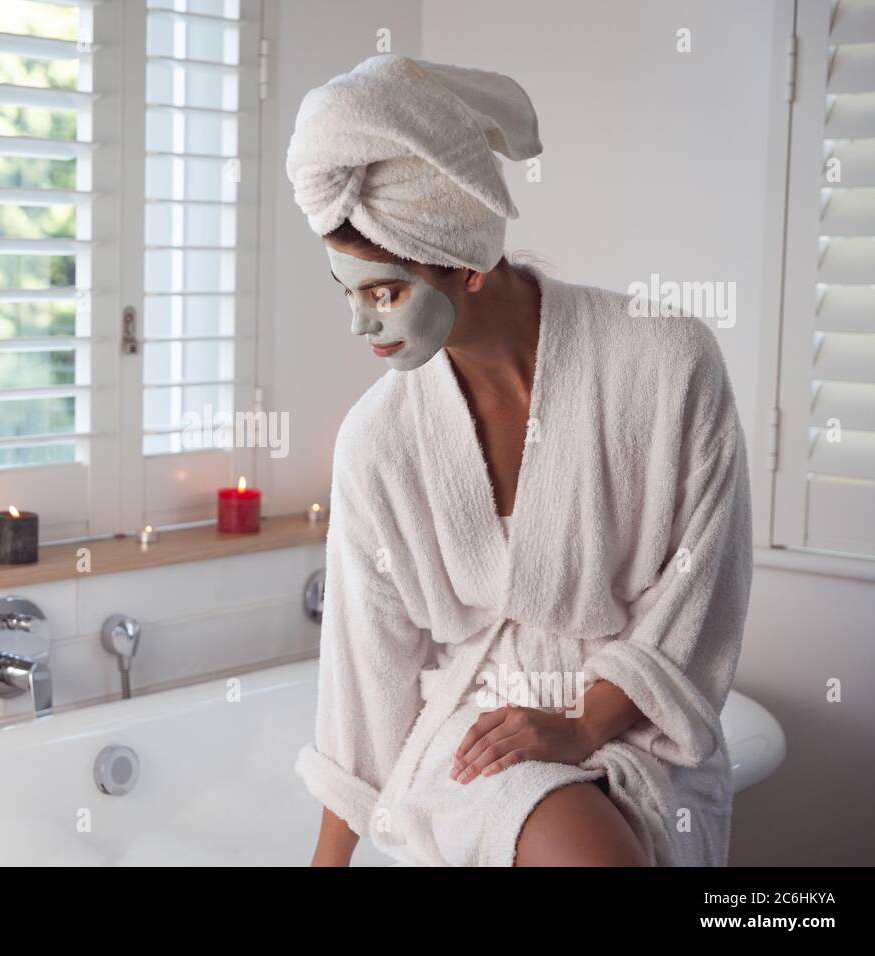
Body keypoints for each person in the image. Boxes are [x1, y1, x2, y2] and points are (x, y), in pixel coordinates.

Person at [286, 55, 752, 867]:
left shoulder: (665, 362)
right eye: (346, 293)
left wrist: (583, 726)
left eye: (383, 292)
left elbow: (701, 583)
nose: (361, 326)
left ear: (466, 263)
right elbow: (366, 668)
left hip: (642, 716)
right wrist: (329, 862)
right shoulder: (379, 438)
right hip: (478, 731)